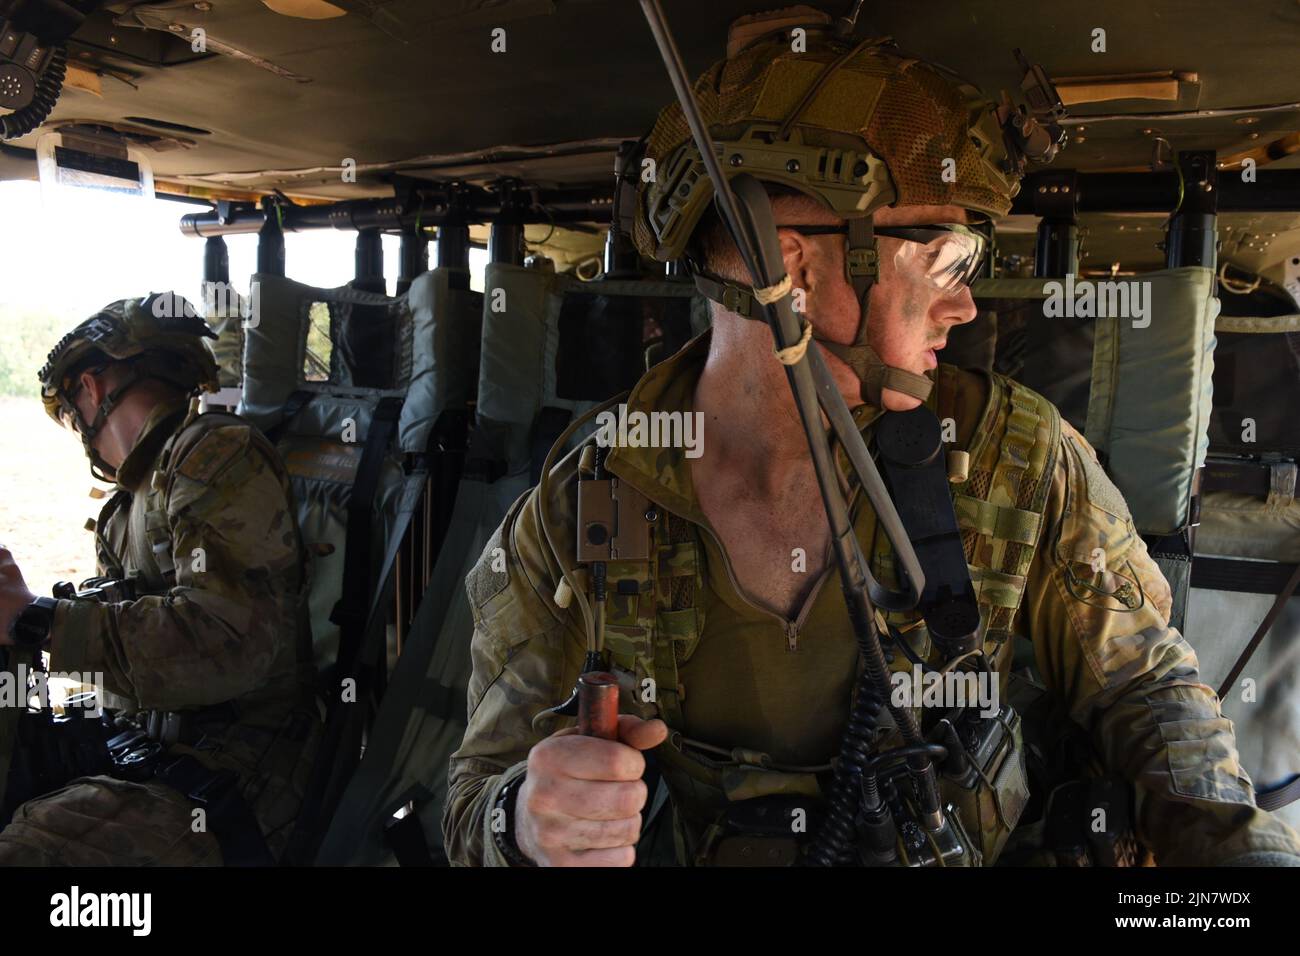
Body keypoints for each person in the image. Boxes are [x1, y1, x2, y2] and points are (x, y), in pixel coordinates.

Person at [442, 7, 1300, 866]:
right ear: (800, 271)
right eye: (947, 265)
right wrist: (523, 823)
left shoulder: (1016, 455)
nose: (966, 307)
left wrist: (1239, 859)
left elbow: (1149, 692)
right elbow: (477, 792)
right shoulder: (589, 493)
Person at [0, 294, 320, 865]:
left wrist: (38, 620)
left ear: (91, 388)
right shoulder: (131, 503)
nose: (81, 433)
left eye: (73, 413)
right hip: (149, 747)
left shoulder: (211, 454)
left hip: (236, 776)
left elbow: (228, 642)